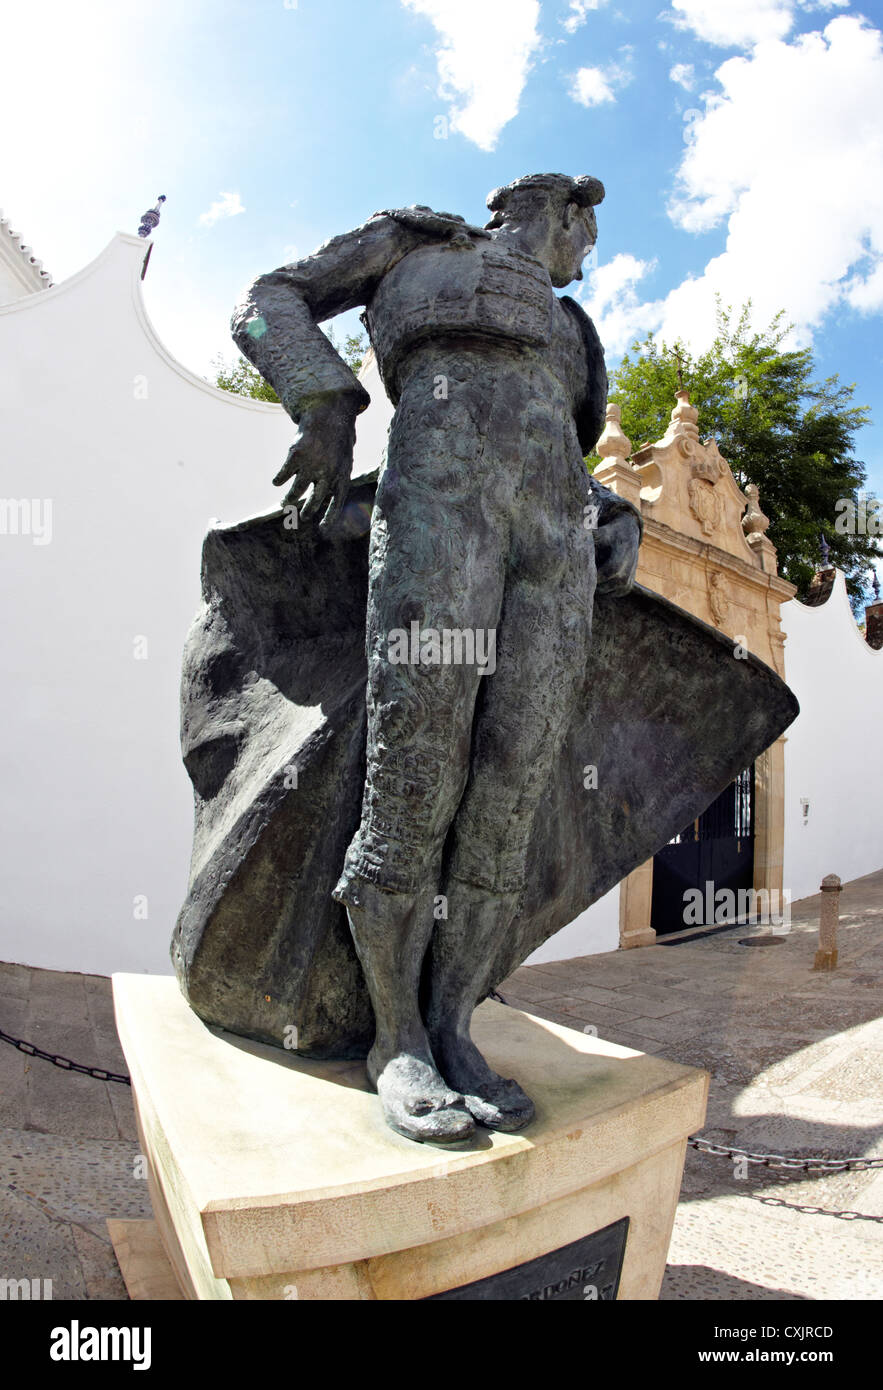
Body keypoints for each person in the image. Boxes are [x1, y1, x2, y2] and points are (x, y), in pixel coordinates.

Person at [231, 174, 642, 1144]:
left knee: (513, 788)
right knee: (415, 775)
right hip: (432, 517)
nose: (585, 257)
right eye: (587, 234)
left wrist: (614, 513)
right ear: (565, 214)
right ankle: (396, 1034)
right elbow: (264, 301)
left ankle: (455, 1021)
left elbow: (561, 451)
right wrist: (323, 400)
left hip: (552, 548)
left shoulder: (573, 331)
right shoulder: (411, 248)